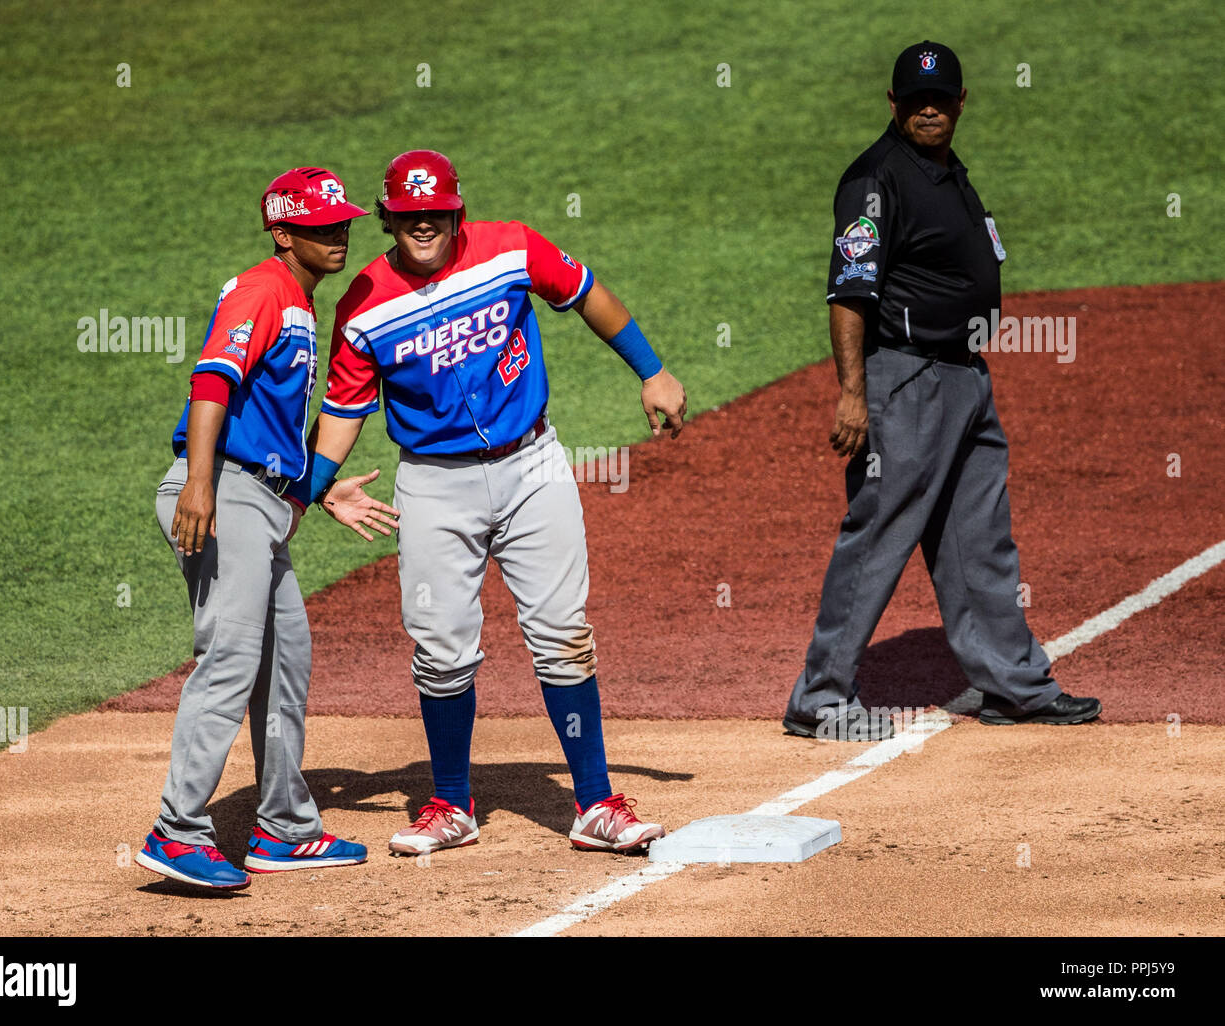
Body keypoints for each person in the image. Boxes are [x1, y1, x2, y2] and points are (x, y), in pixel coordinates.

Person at [285, 150, 687, 854]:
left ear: (455, 209)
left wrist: (652, 370)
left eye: (434, 211)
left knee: (564, 633)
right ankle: (449, 804)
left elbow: (589, 293)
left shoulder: (510, 248)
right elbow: (343, 415)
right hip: (436, 485)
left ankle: (595, 804)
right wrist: (306, 494)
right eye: (408, 215)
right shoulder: (363, 305)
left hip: (533, 465)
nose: (423, 224)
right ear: (388, 219)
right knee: (441, 652)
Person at [782, 42, 1100, 742]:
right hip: (907, 377)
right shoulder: (875, 180)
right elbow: (848, 291)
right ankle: (821, 696)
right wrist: (853, 394)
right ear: (894, 105)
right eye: (916, 100)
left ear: (962, 102)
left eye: (942, 98)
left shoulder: (949, 172)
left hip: (965, 377)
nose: (930, 109)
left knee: (980, 536)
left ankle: (1013, 684)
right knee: (881, 530)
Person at [136, 168, 387, 889]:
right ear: (283, 233)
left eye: (341, 223)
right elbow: (213, 380)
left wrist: (316, 486)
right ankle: (178, 831)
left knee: (286, 661)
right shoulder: (262, 289)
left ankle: (283, 829)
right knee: (232, 654)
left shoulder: (300, 303)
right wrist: (203, 482)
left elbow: (269, 424)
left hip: (255, 493)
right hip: (223, 493)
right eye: (318, 226)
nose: (336, 234)